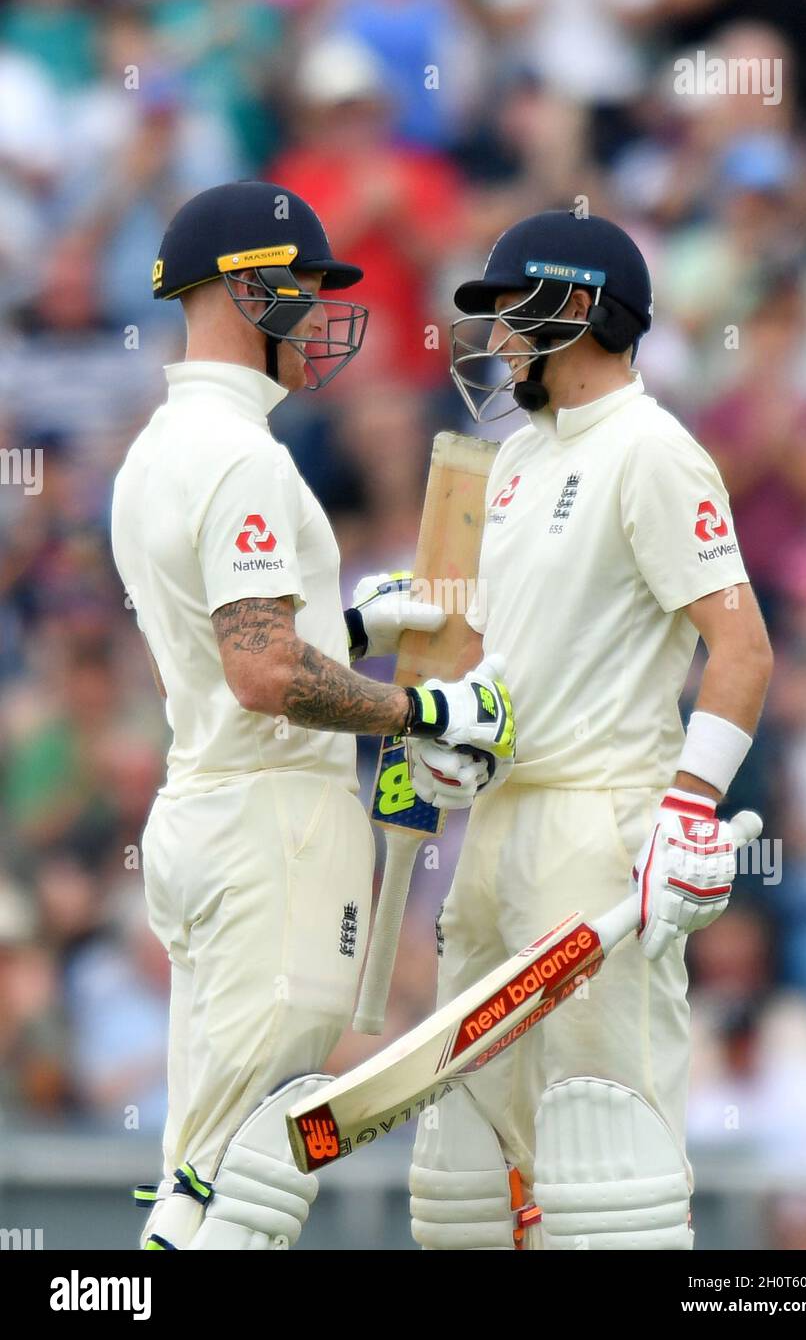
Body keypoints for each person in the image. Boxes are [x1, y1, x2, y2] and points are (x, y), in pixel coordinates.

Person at [110, 180, 515, 1250]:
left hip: (205, 807)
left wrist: (345, 627)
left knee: (199, 1165)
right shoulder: (242, 456)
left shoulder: (160, 444)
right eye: (303, 285)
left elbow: (238, 647)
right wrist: (423, 707)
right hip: (270, 828)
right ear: (247, 293)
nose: (324, 309)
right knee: (260, 1153)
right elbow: (261, 671)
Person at [407, 207, 773, 1250]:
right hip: (499, 827)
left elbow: (740, 650)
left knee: (601, 1159)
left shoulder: (654, 451)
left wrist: (685, 809)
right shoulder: (514, 459)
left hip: (596, 827)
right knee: (465, 1169)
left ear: (574, 309)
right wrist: (454, 733)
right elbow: (507, 659)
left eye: (511, 315)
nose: (498, 341)